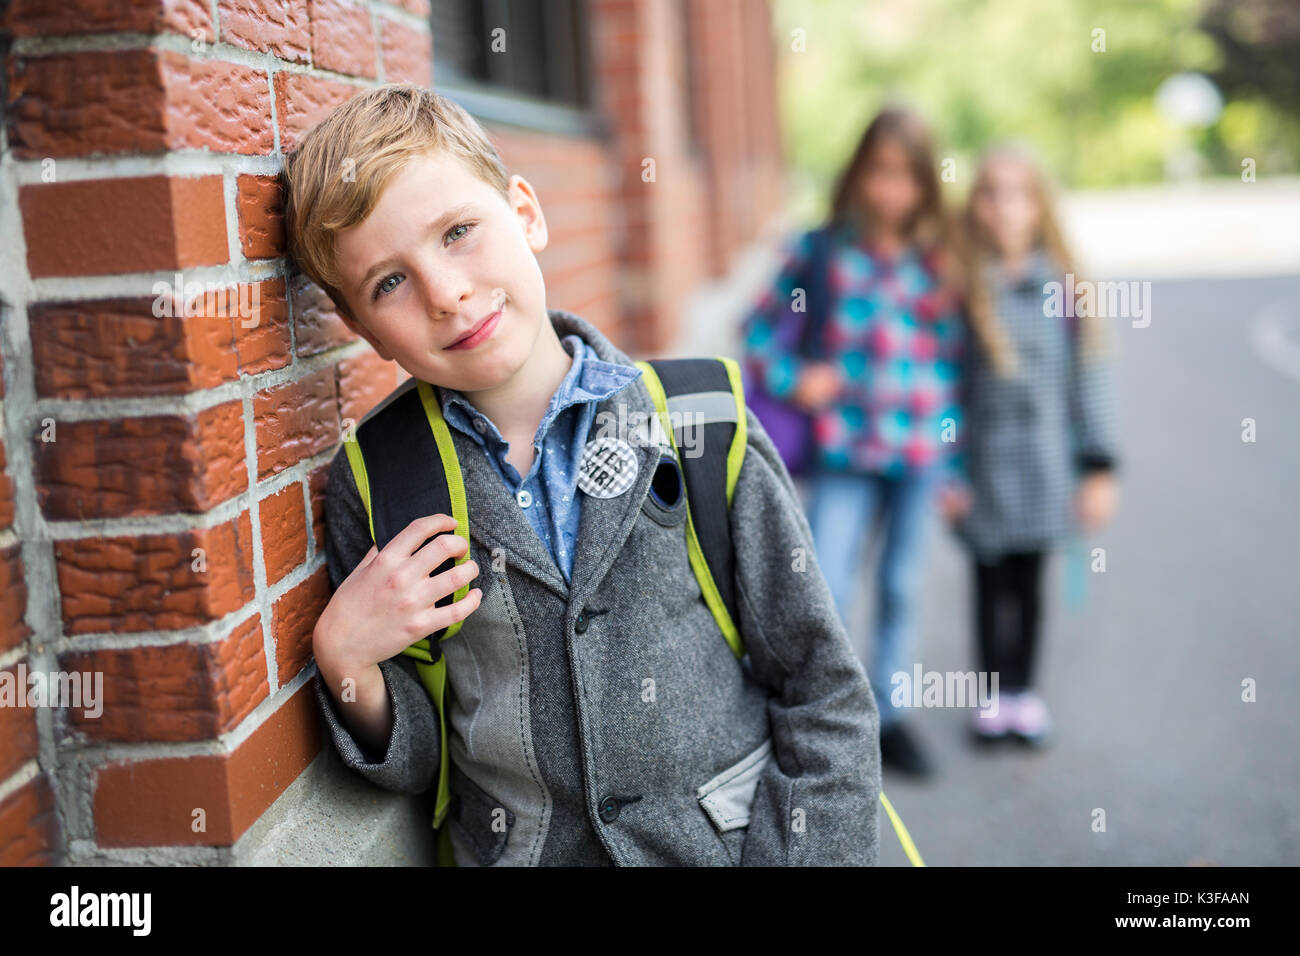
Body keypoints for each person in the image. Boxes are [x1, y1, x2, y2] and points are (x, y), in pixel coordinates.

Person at [282, 83, 881, 865]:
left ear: (525, 212)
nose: (447, 293)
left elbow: (822, 690)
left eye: (458, 232)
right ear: (364, 330)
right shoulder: (383, 479)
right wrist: (348, 662)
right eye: (389, 283)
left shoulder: (699, 420)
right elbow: (421, 762)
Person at [741, 108, 965, 777]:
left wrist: (957, 462)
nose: (890, 190)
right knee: (827, 582)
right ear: (858, 172)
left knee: (901, 585)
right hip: (846, 451)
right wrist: (793, 376)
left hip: (921, 453)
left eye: (907, 177)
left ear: (927, 183)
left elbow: (961, 361)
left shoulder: (943, 259)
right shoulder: (821, 251)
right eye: (880, 172)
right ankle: (824, 714)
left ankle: (891, 713)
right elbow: (755, 331)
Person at [943, 142, 1119, 747]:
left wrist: (1098, 467)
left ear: (1040, 205)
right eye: (991, 193)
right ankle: (993, 695)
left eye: (1019, 194)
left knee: (1031, 584)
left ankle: (1026, 692)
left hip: (1045, 468)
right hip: (986, 469)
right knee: (990, 584)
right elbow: (948, 387)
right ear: (976, 206)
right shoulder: (964, 287)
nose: (1005, 208)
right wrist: (949, 468)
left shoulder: (1063, 291)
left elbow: (1087, 382)